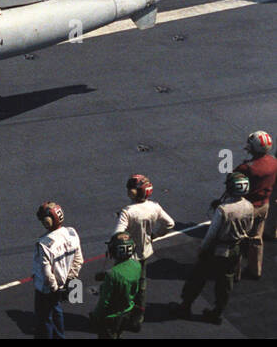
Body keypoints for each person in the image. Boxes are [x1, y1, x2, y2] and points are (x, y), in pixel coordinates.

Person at [177, 171, 256, 323]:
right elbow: (249, 227)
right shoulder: (249, 206)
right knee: (225, 282)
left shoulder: (223, 210)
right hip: (235, 249)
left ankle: (185, 306)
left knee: (198, 277)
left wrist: (203, 248)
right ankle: (218, 311)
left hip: (217, 249)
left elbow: (212, 233)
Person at [114, 174, 174, 331]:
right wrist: (154, 236)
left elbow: (118, 234)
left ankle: (120, 317)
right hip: (144, 253)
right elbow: (170, 223)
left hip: (127, 256)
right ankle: (137, 319)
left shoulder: (128, 212)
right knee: (141, 288)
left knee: (122, 287)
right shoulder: (154, 207)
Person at [33, 201, 83, 339]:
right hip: (62, 282)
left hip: (46, 288)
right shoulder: (71, 233)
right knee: (56, 312)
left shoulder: (44, 243)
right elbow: (78, 260)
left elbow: (47, 271)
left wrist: (54, 287)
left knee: (44, 319)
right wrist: (70, 278)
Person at [236, 131, 276, 279]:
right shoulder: (274, 162)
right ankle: (255, 270)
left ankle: (235, 272)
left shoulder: (246, 168)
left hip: (247, 208)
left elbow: (234, 187)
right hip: (263, 205)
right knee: (256, 238)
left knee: (238, 239)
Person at [90, 233, 142, 339]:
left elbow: (104, 301)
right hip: (127, 310)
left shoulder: (112, 274)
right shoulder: (136, 265)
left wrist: (96, 316)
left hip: (112, 316)